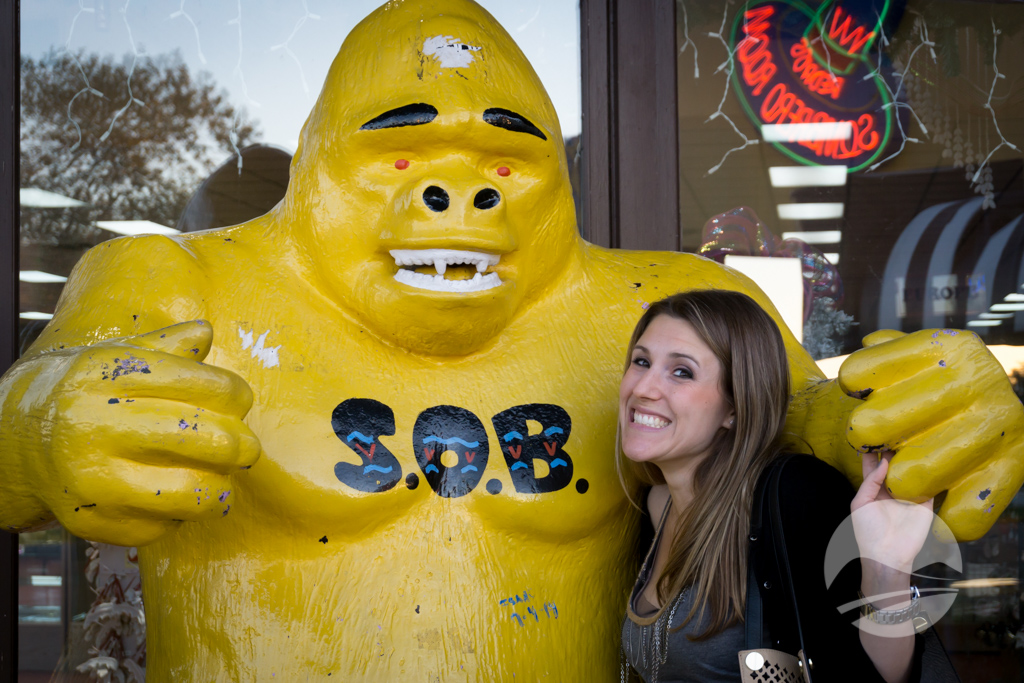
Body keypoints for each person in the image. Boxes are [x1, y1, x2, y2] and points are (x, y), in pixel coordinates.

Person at [0, 1, 1016, 679]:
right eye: (402, 151)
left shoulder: (661, 304)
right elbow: (17, 456)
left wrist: (928, 412)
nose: (460, 195)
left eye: (505, 158)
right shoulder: (182, 284)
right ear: (315, 161)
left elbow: (834, 424)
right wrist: (45, 424)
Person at [619, 290, 934, 683]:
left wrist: (888, 573)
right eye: (641, 362)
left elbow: (878, 677)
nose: (643, 388)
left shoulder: (794, 497)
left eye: (682, 372)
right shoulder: (657, 503)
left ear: (735, 407)